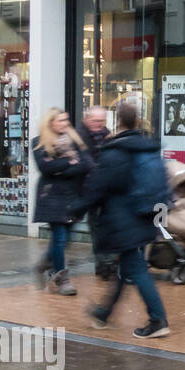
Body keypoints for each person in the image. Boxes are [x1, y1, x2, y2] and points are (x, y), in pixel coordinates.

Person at [80, 103, 172, 338]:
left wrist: (76, 208)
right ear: (137, 122)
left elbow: (98, 187)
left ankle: (158, 319)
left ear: (116, 122)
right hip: (145, 216)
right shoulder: (148, 148)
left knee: (137, 269)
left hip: (124, 219)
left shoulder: (116, 151)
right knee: (127, 267)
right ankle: (104, 313)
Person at [32, 108, 94, 296]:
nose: (65, 123)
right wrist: (69, 162)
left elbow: (85, 165)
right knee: (59, 237)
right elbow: (46, 168)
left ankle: (45, 263)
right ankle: (61, 279)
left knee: (65, 239)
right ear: (51, 123)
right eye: (60, 120)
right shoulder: (39, 143)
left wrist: (62, 166)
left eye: (66, 119)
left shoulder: (75, 141)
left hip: (73, 197)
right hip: (51, 197)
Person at [75, 106, 114, 279]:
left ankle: (105, 264)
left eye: (102, 121)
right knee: (95, 227)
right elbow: (84, 161)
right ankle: (103, 264)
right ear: (87, 119)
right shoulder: (79, 136)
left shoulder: (106, 134)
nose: (99, 125)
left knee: (102, 226)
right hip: (86, 189)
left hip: (104, 188)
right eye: (96, 121)